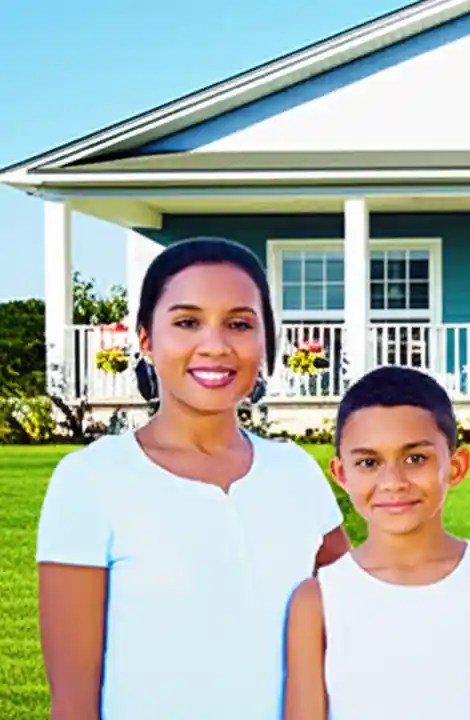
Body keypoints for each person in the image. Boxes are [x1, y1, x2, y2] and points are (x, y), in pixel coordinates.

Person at [36, 237, 351, 720]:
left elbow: (355, 625)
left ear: (266, 340)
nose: (215, 345)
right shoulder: (90, 481)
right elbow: (74, 698)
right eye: (187, 322)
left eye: (240, 324)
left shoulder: (296, 474)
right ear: (145, 338)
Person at [283, 365, 470, 720]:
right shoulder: (318, 600)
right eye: (368, 462)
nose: (393, 481)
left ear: (456, 466)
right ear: (341, 474)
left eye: (415, 459)